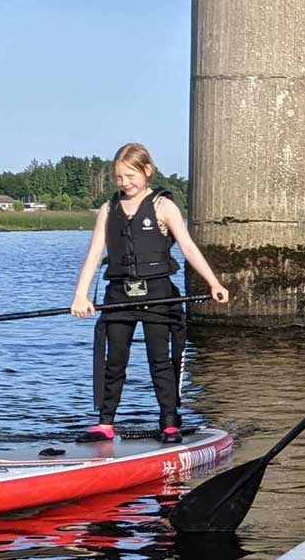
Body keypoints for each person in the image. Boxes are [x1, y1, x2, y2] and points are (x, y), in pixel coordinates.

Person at [69, 143, 230, 441]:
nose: (124, 183)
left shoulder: (163, 206)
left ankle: (169, 421)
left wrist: (213, 283)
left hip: (158, 294)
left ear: (147, 171)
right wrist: (81, 295)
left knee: (160, 360)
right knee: (114, 359)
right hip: (119, 295)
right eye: (118, 177)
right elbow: (93, 254)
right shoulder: (109, 209)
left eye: (130, 175)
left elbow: (188, 248)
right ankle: (105, 423)